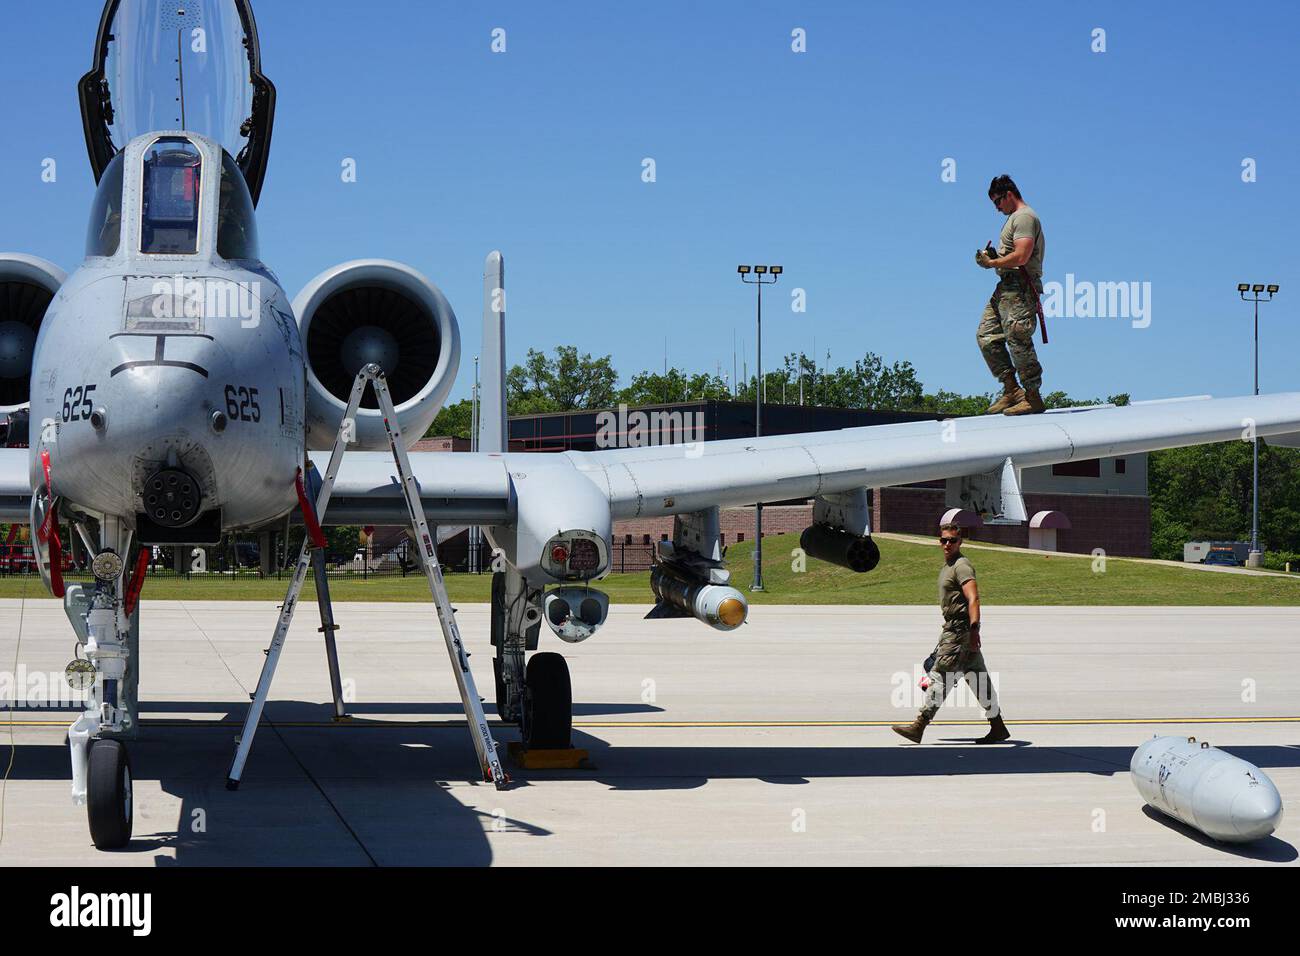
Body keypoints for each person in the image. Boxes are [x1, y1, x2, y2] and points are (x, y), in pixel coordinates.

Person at [891, 523, 1010, 744]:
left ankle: (919, 725)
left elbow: (974, 598)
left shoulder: (961, 566)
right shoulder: (949, 566)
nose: (947, 544)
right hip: (956, 630)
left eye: (952, 540)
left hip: (959, 632)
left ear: (960, 542)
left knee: (940, 677)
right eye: (943, 540)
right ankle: (998, 726)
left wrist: (974, 630)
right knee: (978, 679)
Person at [975, 174, 1046, 416]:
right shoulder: (1014, 219)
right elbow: (1014, 254)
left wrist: (992, 261)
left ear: (1009, 195)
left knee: (1018, 339)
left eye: (998, 202)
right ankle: (1012, 390)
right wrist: (995, 258)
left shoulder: (1024, 217)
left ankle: (1033, 396)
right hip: (1005, 288)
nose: (996, 208)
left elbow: (1022, 256)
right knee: (987, 336)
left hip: (1020, 288)